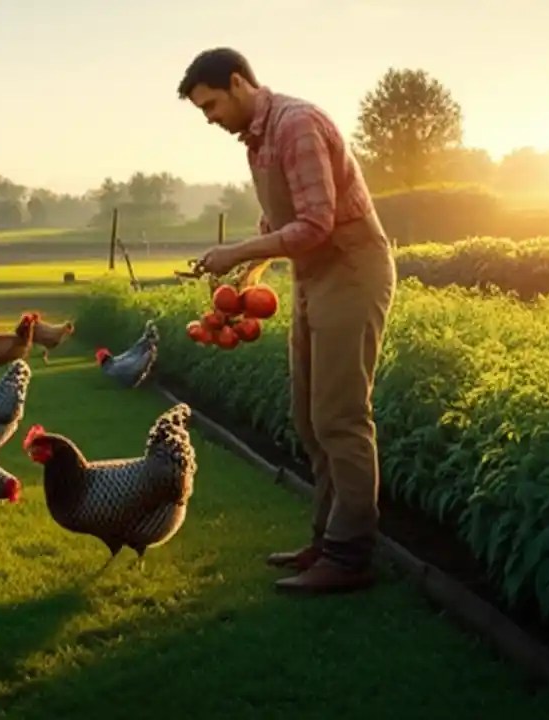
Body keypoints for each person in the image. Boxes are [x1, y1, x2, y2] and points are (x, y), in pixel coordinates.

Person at [177, 47, 397, 594]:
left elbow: (317, 223)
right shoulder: (258, 139)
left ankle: (350, 556)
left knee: (341, 417)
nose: (209, 119)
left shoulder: (297, 125)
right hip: (312, 278)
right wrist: (248, 273)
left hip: (350, 269)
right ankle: (325, 541)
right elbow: (284, 219)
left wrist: (237, 251)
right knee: (307, 416)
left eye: (210, 105)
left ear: (237, 82)